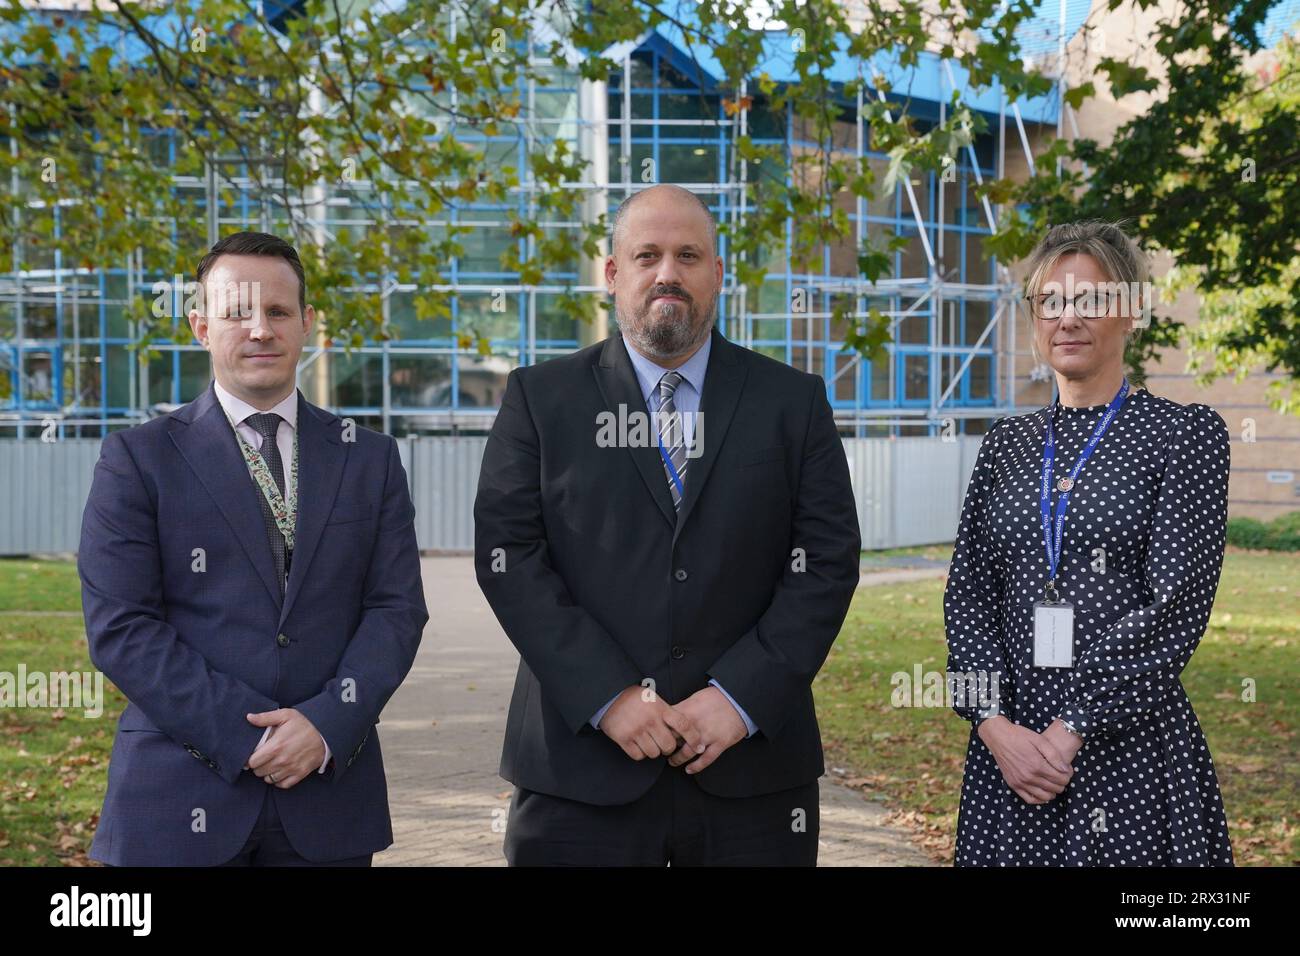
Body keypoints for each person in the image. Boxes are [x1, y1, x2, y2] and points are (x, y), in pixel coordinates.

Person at [473, 184, 861, 865]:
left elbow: (826, 560)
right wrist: (608, 696)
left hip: (753, 779)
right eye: (646, 255)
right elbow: (510, 556)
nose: (667, 274)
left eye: (688, 255)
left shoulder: (792, 402)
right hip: (580, 773)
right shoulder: (540, 399)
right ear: (614, 274)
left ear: (718, 273)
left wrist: (740, 698)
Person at [79, 231, 428, 866]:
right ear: (200, 325)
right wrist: (249, 739)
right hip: (177, 800)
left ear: (308, 324)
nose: (260, 329)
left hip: (328, 799)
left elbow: (396, 612)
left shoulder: (369, 457)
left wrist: (326, 724)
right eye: (237, 311)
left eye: (277, 311)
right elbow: (122, 628)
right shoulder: (138, 459)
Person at [944, 220, 1233, 866]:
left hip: (1126, 752)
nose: (1067, 319)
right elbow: (967, 596)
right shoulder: (1006, 446)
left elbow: (1175, 604)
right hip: (1010, 756)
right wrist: (992, 724)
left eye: (1090, 301)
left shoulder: (1181, 436)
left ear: (1131, 312)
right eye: (1051, 302)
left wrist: (1072, 727)